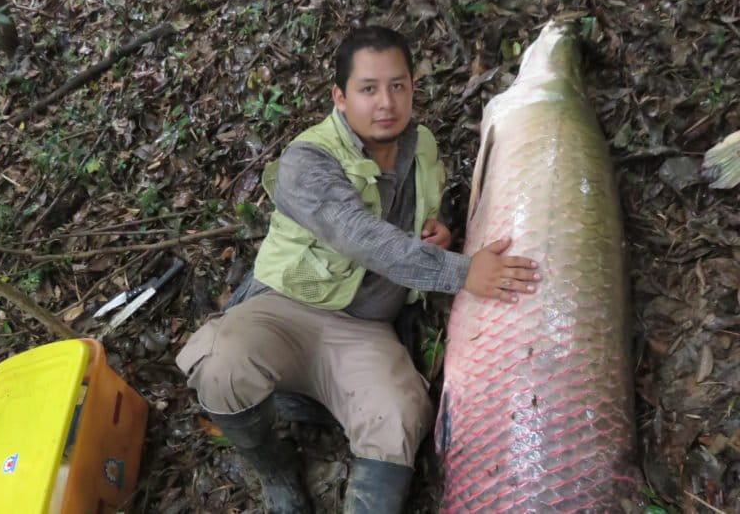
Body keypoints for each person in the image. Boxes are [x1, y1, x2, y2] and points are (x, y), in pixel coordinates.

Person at [176, 25, 540, 514]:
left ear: (413, 87)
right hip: (283, 312)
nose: (385, 102)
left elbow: (421, 219)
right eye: (368, 89)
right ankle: (275, 471)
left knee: (401, 415)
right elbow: (360, 235)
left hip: (365, 329)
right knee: (221, 364)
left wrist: (441, 233)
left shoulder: (423, 146)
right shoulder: (306, 160)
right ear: (340, 97)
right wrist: (461, 271)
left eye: (397, 85)